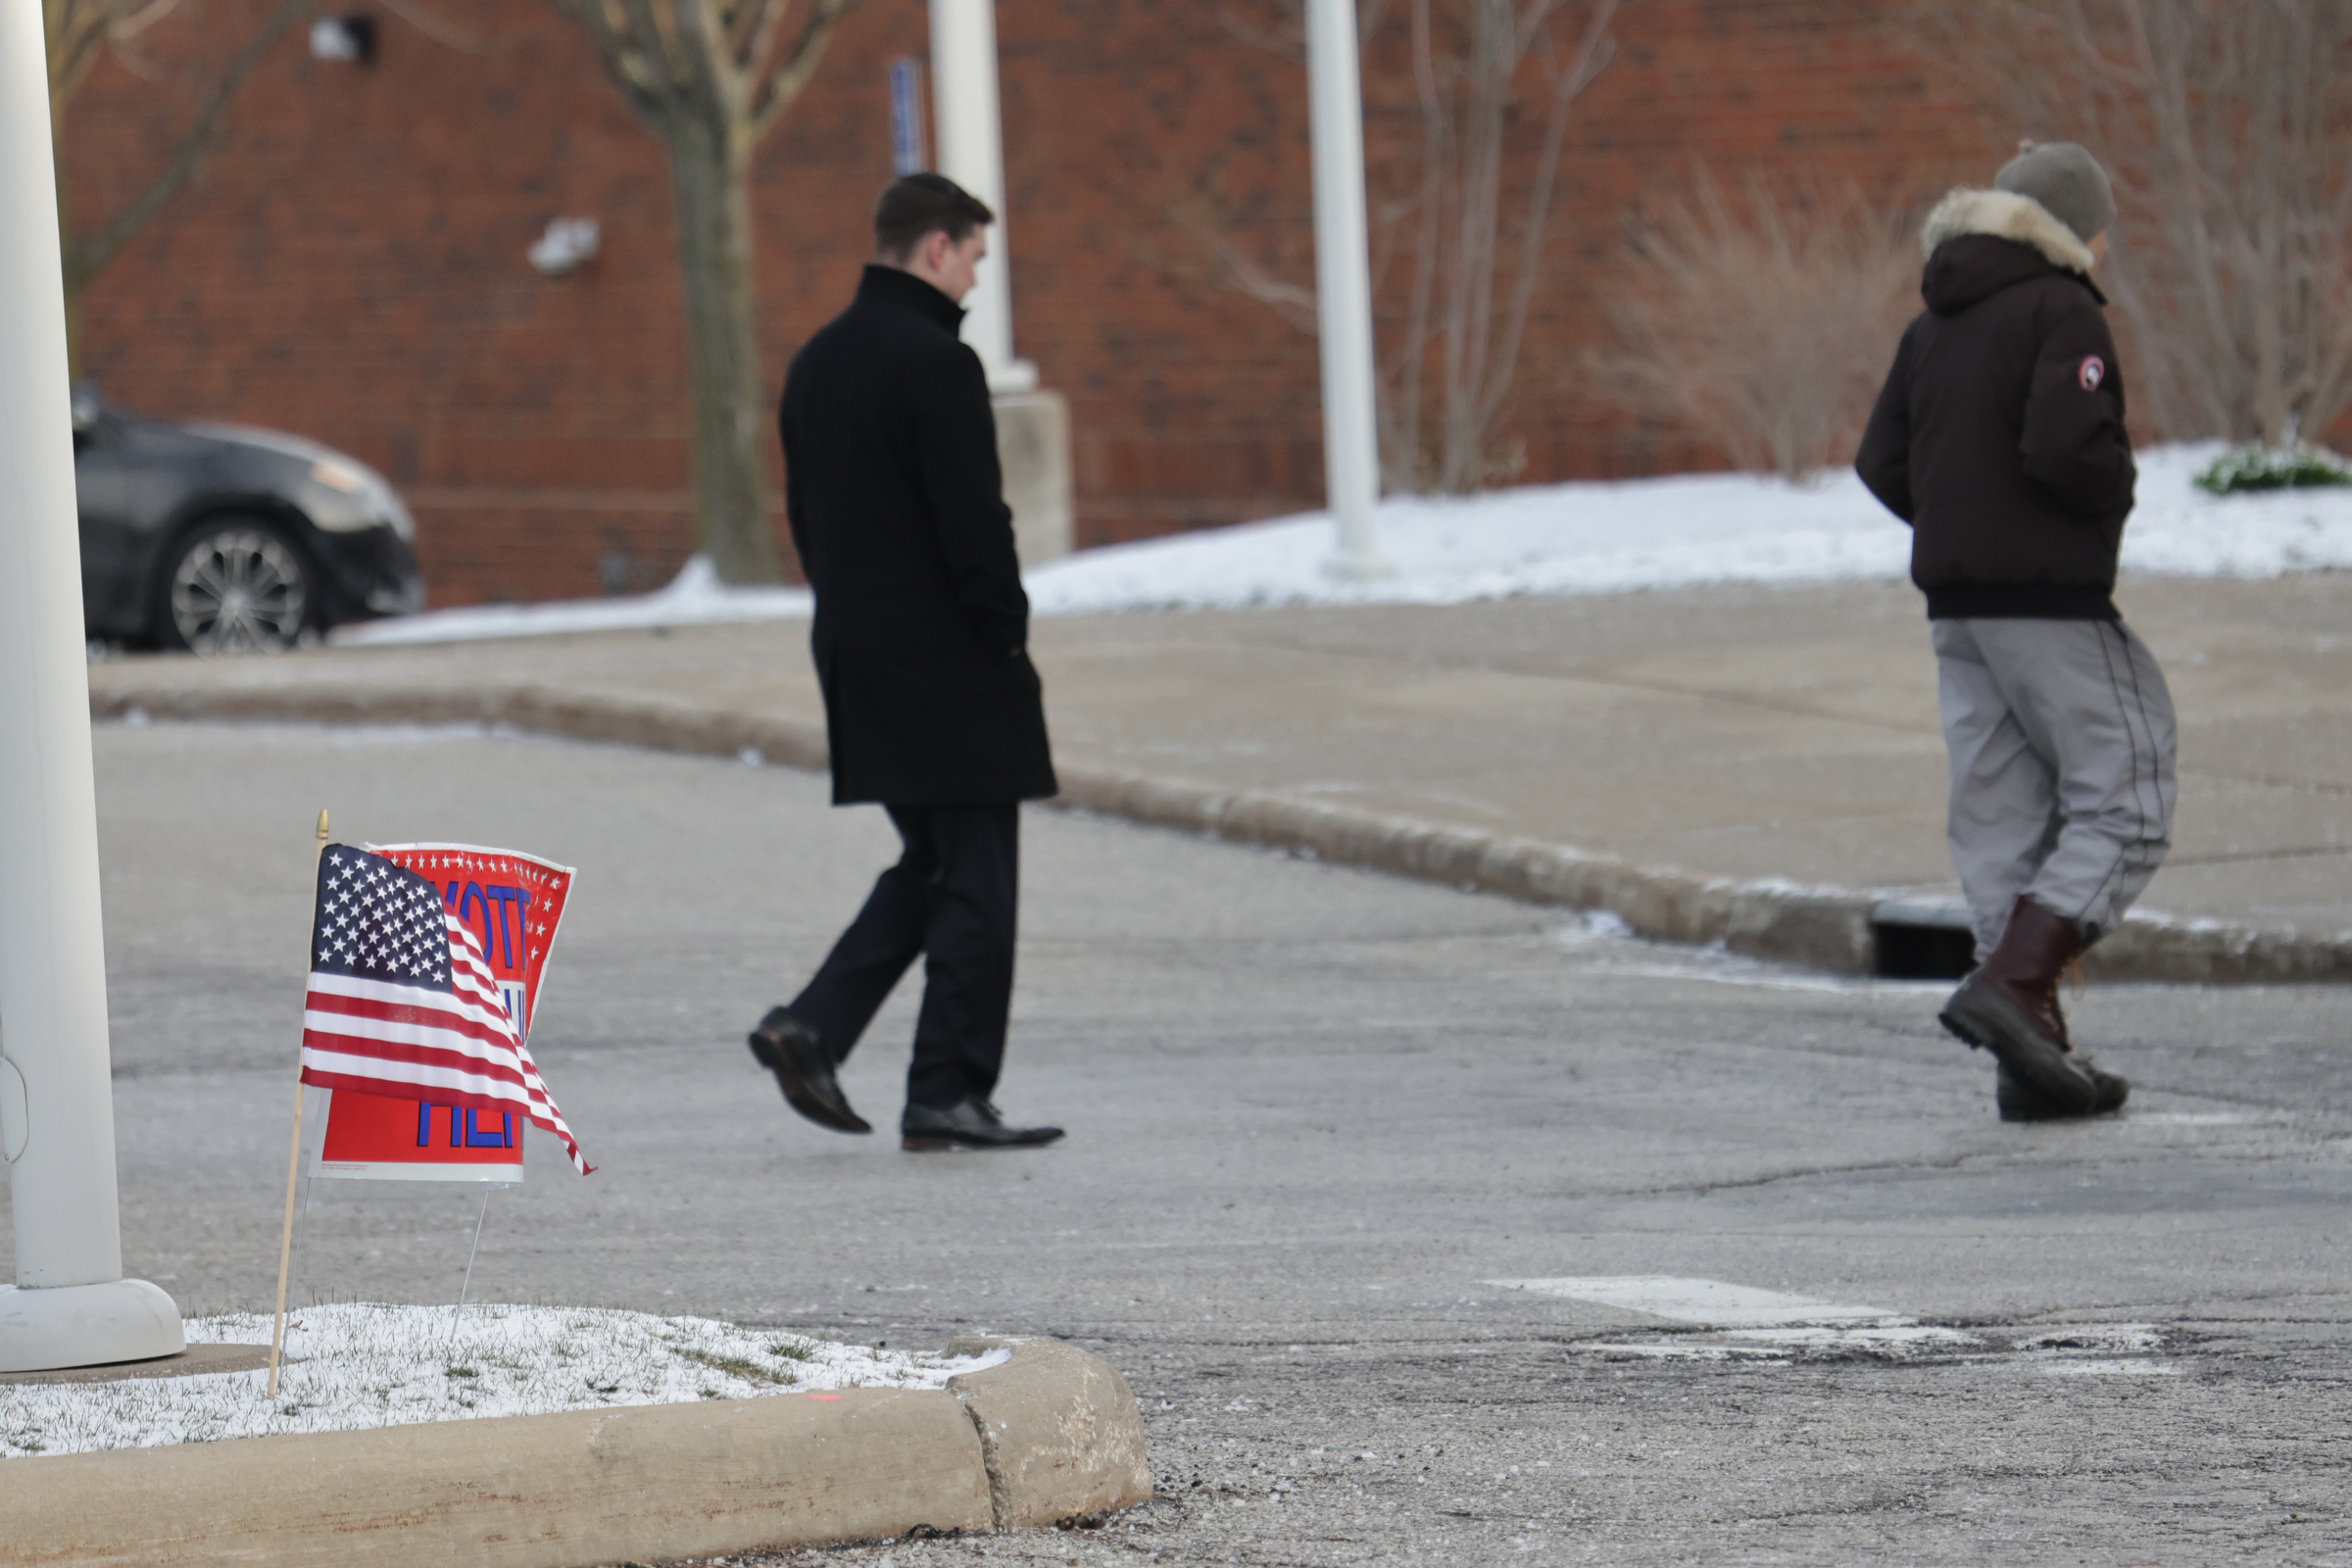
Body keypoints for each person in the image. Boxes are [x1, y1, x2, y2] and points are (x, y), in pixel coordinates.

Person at [1856, 141, 2177, 1123]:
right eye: (2101, 227)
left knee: (2001, 818)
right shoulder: (2061, 308)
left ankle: (2031, 1058)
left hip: (1958, 610)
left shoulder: (1935, 322)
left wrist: (1962, 525)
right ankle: (2018, 986)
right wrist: (2114, 489)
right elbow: (2067, 448)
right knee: (2128, 791)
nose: (2105, 245)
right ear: (2073, 227)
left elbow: (1882, 461)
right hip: (2048, 601)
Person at [749, 172, 1063, 1152]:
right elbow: (974, 520)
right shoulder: (935, 362)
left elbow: (806, 521)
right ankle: (947, 1090)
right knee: (977, 877)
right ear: (937, 247)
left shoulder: (817, 362)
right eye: (973, 257)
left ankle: (813, 1027)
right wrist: (1004, 631)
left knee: (937, 861)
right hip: (949, 658)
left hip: (857, 651)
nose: (974, 278)